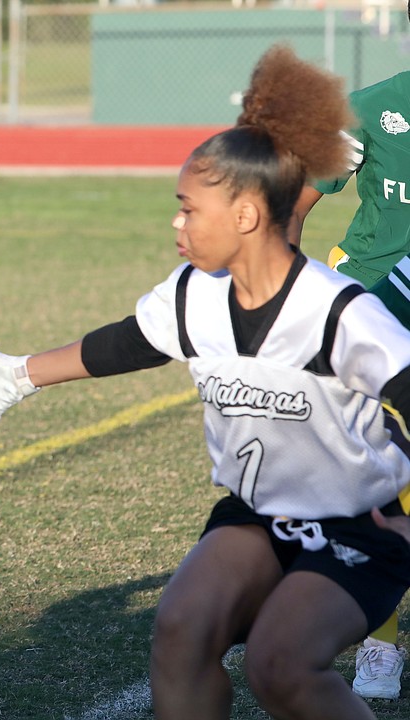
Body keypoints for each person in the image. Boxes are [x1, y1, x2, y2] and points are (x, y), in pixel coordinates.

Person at [0, 46, 410, 719]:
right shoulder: (195, 293)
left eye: (190, 209)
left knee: (280, 668)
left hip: (358, 530)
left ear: (247, 217)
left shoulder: (342, 314)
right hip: (259, 516)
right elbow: (129, 344)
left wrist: (401, 525)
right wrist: (22, 375)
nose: (176, 222)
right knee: (179, 632)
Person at [289, 4, 410, 696]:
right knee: (383, 467)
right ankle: (380, 642)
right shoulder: (375, 108)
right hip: (375, 311)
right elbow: (300, 198)